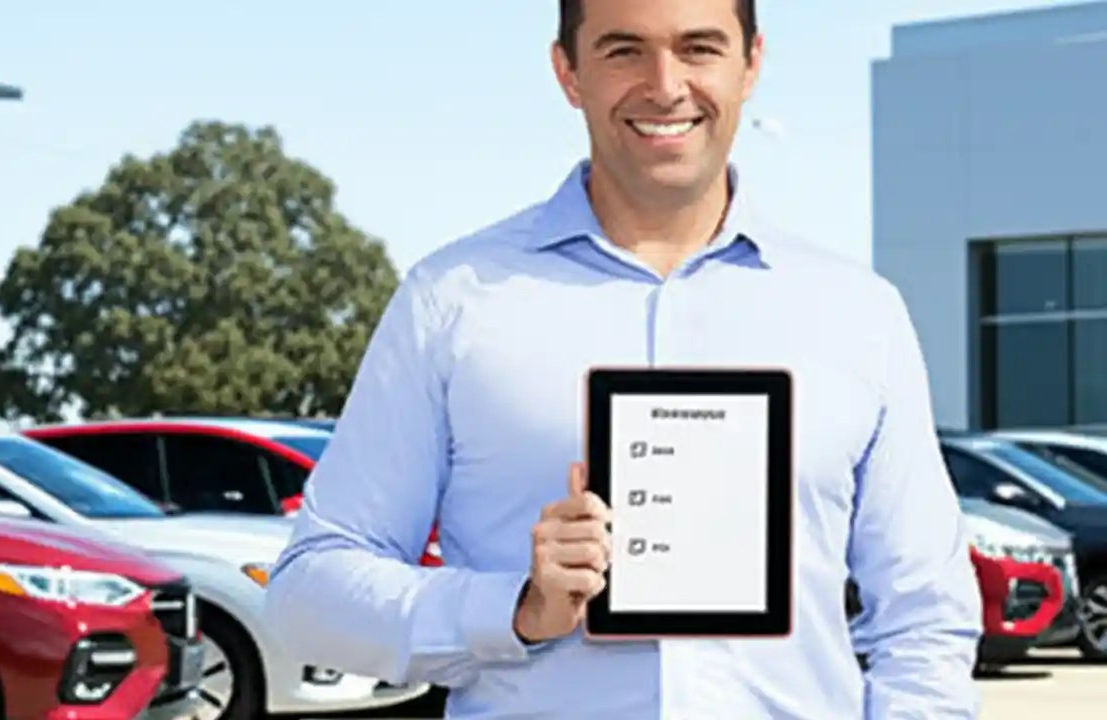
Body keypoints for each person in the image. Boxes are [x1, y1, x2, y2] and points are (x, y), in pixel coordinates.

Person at [264, 0, 983, 717]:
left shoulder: (857, 314)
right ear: (568, 72)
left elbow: (925, 617)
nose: (665, 85)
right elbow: (308, 592)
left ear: (751, 64)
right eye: (623, 50)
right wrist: (514, 606)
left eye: (699, 47)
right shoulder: (452, 302)